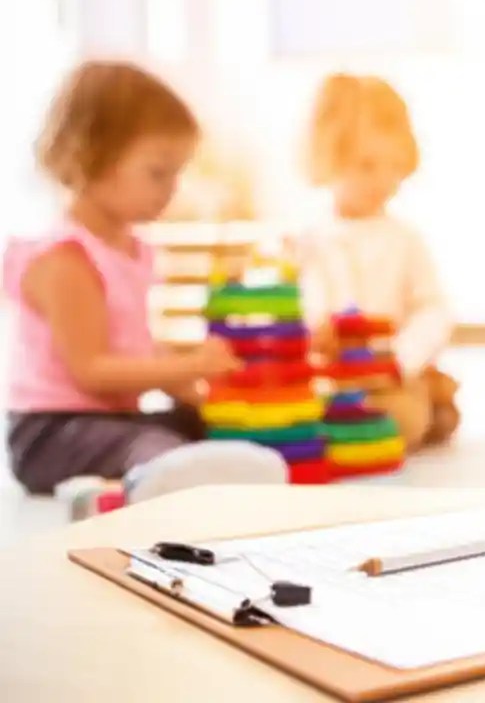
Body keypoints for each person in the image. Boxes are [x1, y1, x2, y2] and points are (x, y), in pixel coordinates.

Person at [5, 61, 286, 515]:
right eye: (158, 174)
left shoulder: (132, 250)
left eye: (176, 175)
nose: (170, 190)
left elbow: (138, 350)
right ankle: (131, 489)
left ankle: (175, 473)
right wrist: (187, 366)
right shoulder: (66, 258)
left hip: (109, 420)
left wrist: (203, 395)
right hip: (49, 433)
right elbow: (91, 370)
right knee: (150, 442)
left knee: (200, 423)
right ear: (91, 155)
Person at [298, 73, 460, 451]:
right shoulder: (308, 240)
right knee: (295, 417)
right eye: (367, 165)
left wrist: (402, 359)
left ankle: (430, 403)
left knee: (399, 419)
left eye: (395, 167)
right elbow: (303, 304)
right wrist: (314, 330)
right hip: (328, 378)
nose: (384, 180)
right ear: (328, 156)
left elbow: (433, 310)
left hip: (389, 377)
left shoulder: (404, 240)